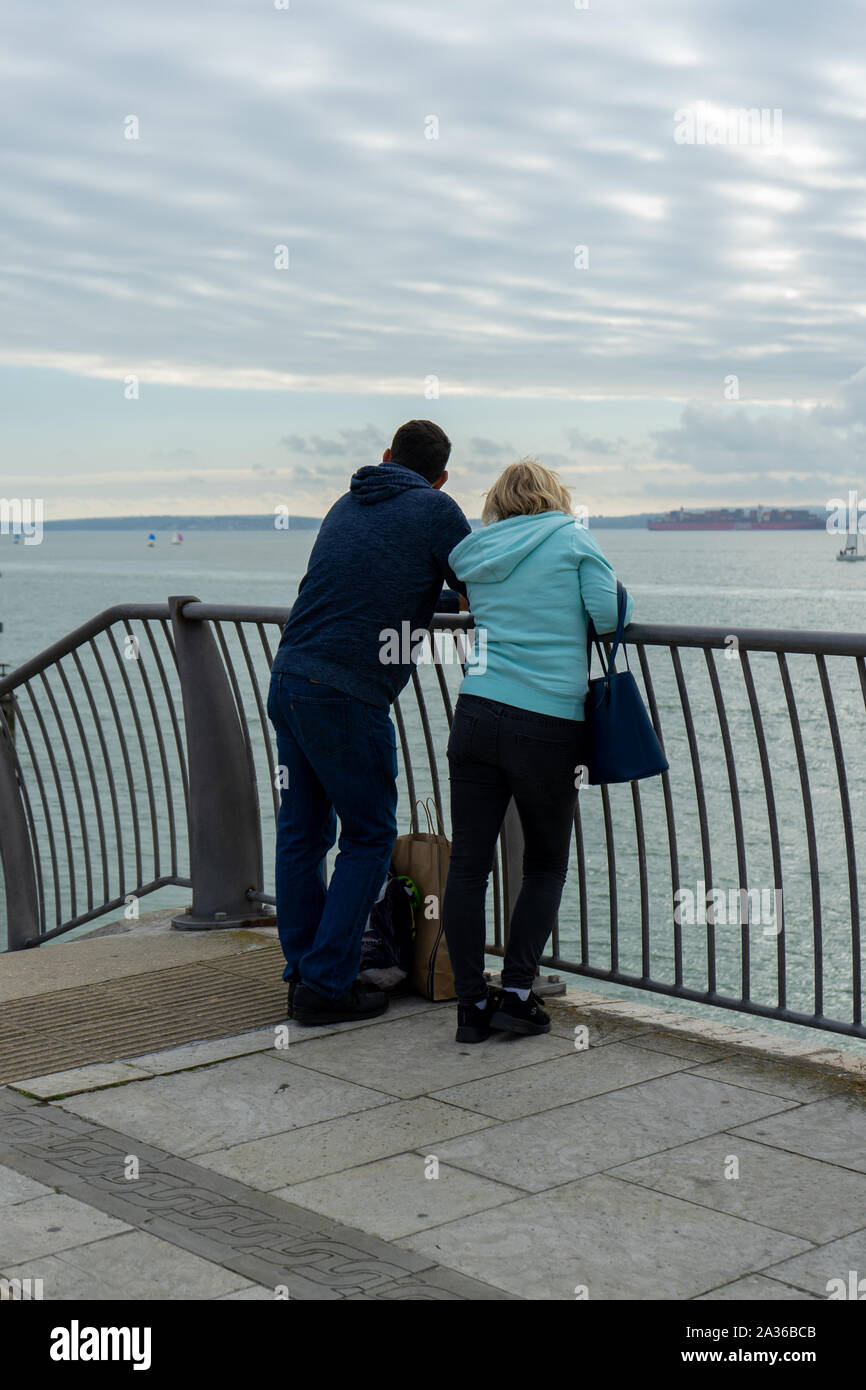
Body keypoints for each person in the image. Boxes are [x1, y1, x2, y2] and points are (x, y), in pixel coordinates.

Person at [268, 420, 471, 1026]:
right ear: (440, 477)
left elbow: (364, 586)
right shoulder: (437, 509)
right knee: (369, 836)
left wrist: (418, 597)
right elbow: (477, 592)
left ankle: (303, 968)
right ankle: (327, 985)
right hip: (346, 692)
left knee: (302, 832)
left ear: (386, 457)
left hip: (289, 676)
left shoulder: (344, 502)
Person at [442, 458, 633, 1043]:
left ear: (497, 501)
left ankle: (471, 1006)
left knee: (469, 866)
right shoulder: (572, 538)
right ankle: (518, 993)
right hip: (546, 722)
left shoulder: (479, 552)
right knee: (545, 863)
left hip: (475, 713)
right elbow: (607, 615)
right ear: (554, 495)